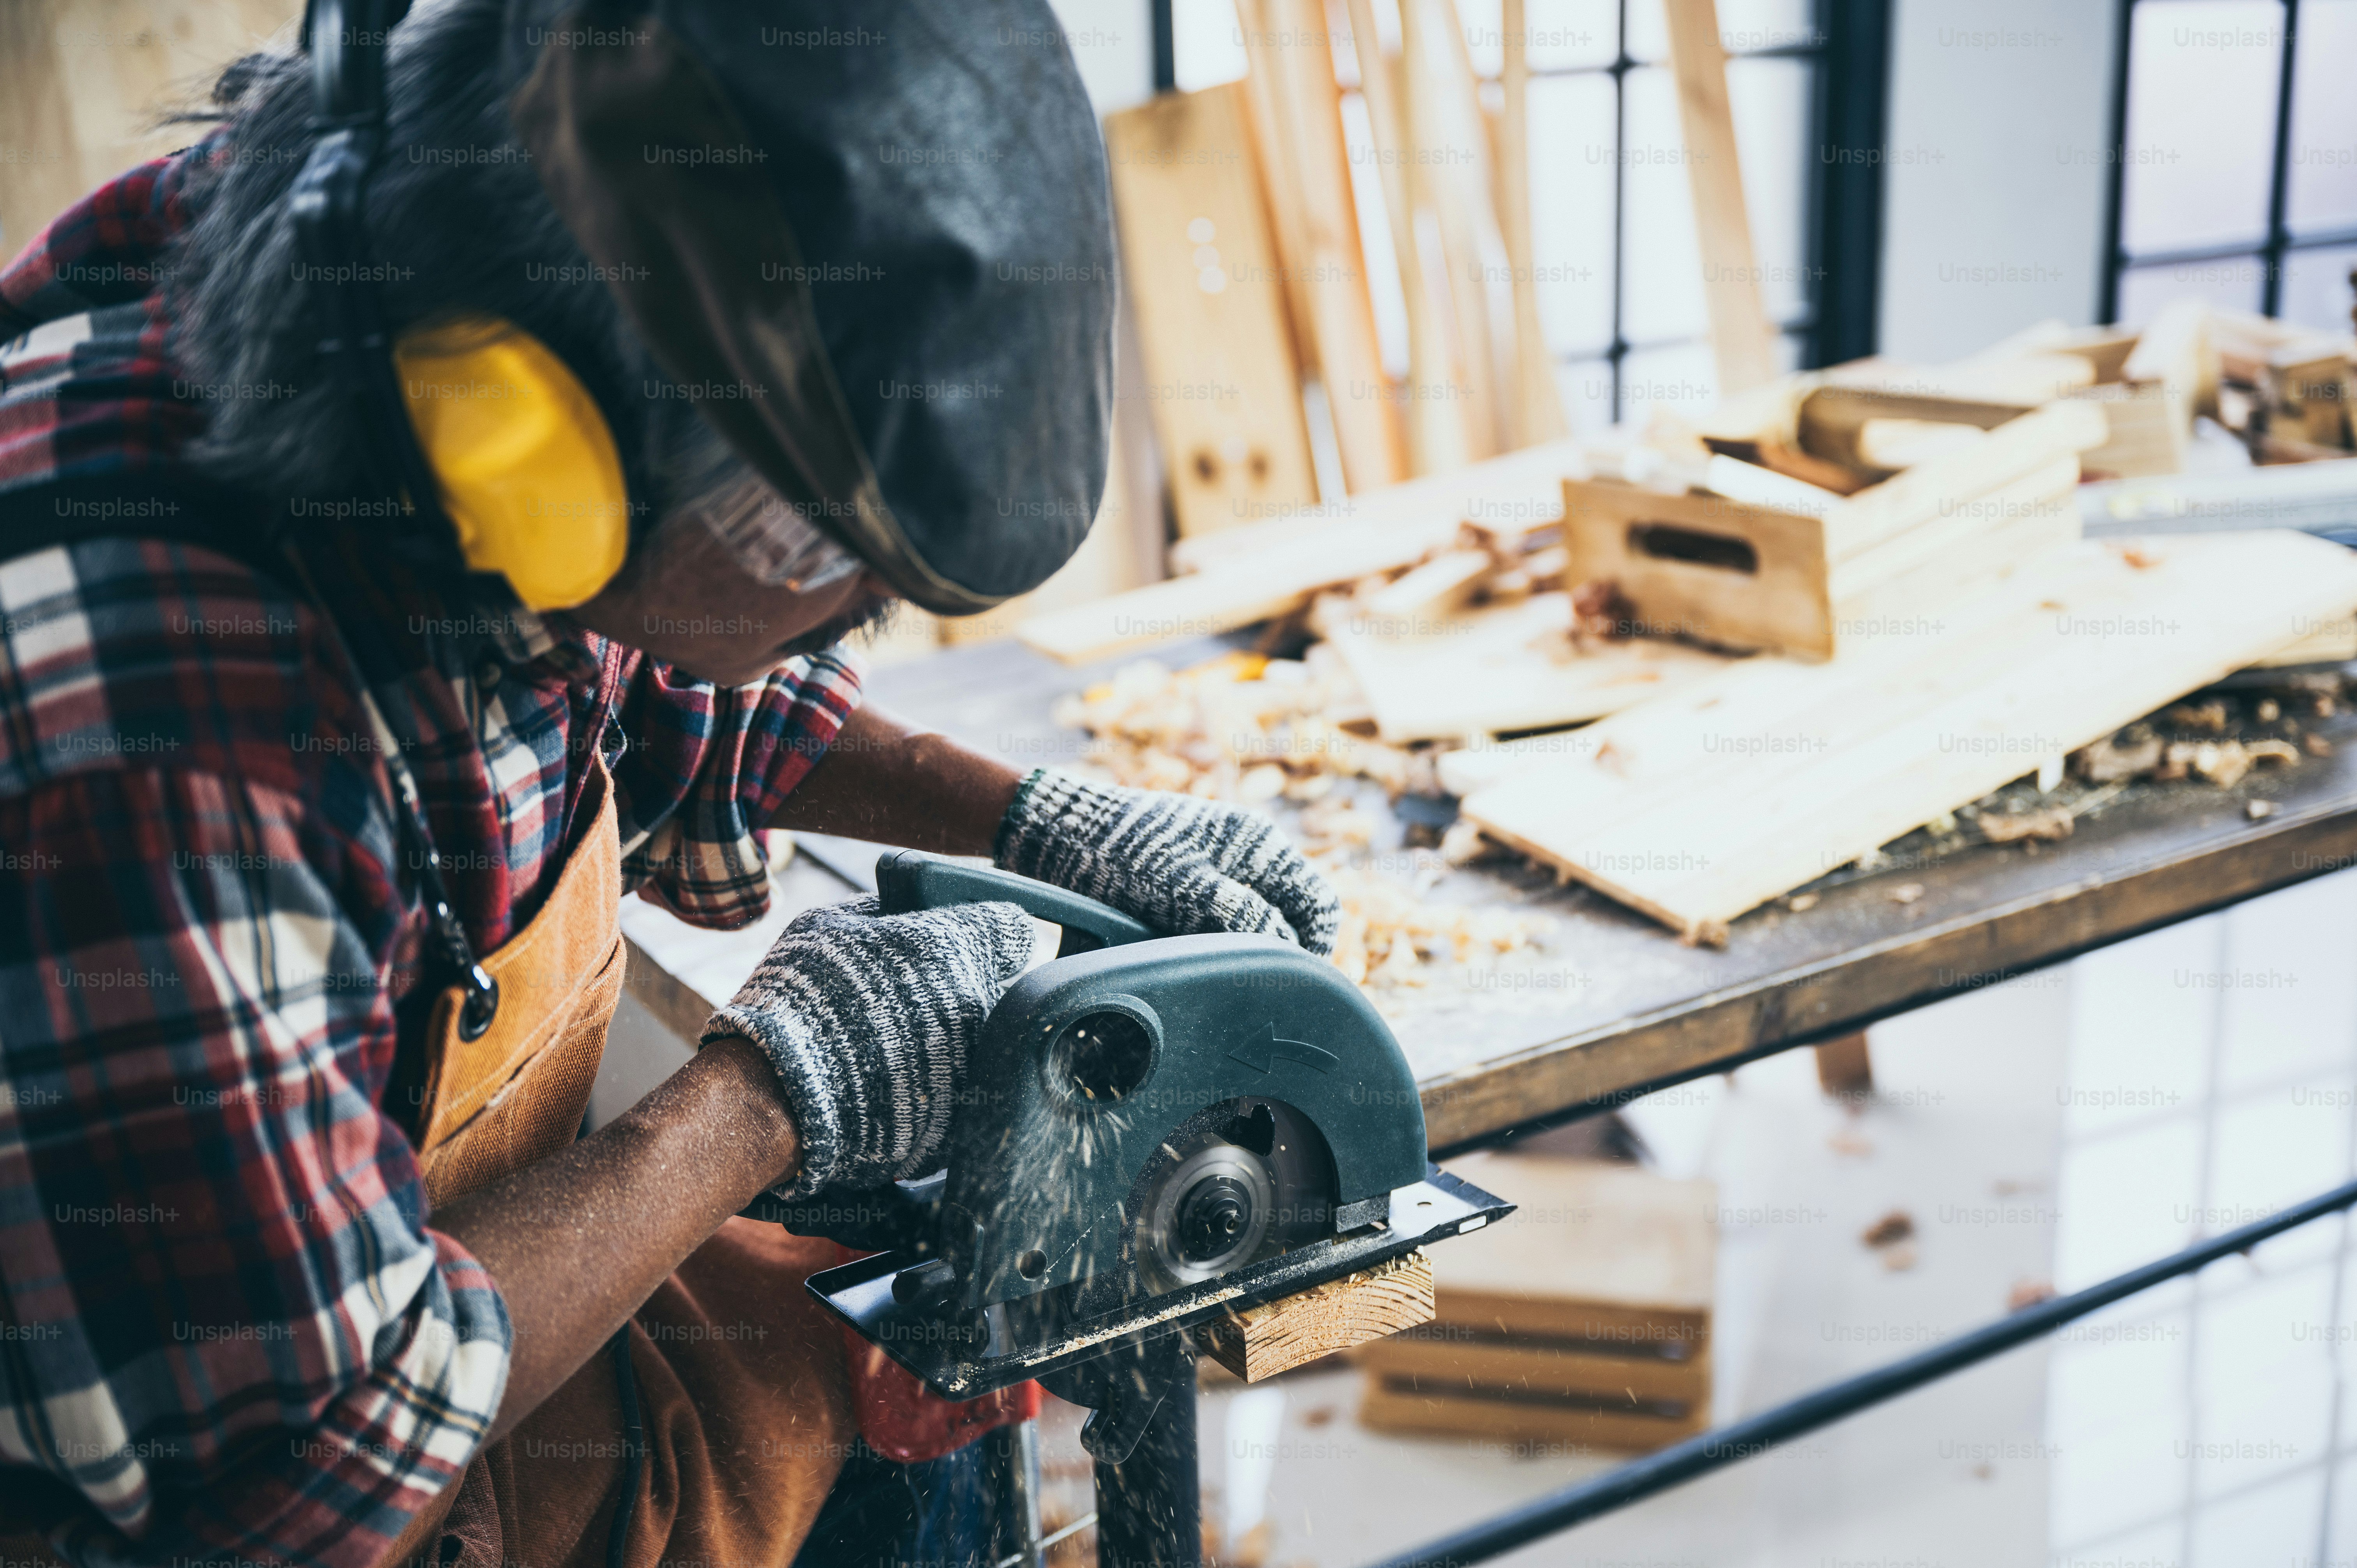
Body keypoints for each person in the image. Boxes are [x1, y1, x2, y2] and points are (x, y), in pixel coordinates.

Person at [0, 3, 1338, 1566]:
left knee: (896, 1375)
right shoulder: (169, 742)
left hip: (414, 1328)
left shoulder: (416, 311)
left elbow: (666, 675)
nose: (843, 632)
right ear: (549, 458)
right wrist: (760, 1099)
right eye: (826, 572)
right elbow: (298, 1482)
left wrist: (1030, 813)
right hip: (268, 1482)